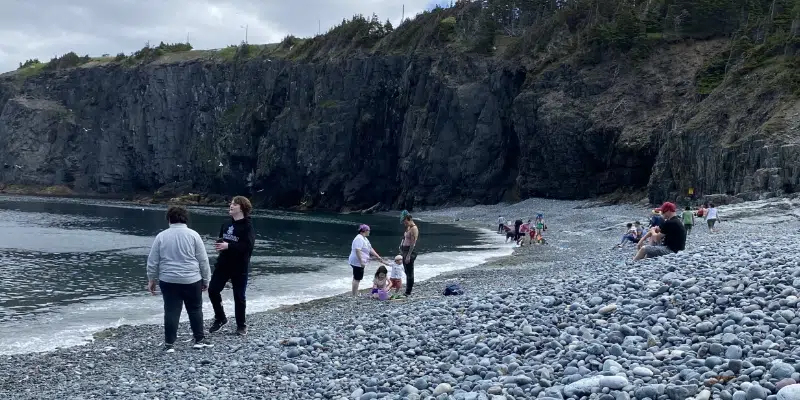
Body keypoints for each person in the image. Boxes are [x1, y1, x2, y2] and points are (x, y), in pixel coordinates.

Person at [146, 206, 213, 352]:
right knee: (195, 309)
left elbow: (153, 260)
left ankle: (169, 344)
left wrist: (151, 279)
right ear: (185, 219)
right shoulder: (193, 235)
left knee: (171, 311)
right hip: (192, 279)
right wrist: (206, 279)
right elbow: (203, 260)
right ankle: (199, 339)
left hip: (168, 279)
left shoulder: (161, 236)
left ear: (169, 219)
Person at [208, 196, 255, 337]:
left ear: (242, 208)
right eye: (231, 203)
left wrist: (229, 246)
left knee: (239, 296)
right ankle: (221, 318)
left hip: (240, 266)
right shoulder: (226, 223)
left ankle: (241, 325)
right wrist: (220, 244)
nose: (231, 205)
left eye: (235, 204)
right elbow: (223, 239)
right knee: (213, 290)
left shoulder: (247, 226)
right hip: (223, 263)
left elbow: (248, 246)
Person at [349, 224, 385, 297]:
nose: (369, 232)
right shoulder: (359, 238)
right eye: (368, 230)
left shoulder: (364, 238)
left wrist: (378, 256)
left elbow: (370, 248)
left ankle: (354, 293)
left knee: (356, 277)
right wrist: (361, 261)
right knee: (357, 278)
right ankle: (354, 295)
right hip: (357, 262)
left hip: (360, 261)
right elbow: (357, 250)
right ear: (364, 231)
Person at [400, 214, 419, 297]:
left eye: (405, 222)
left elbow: (412, 243)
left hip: (410, 251)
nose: (405, 223)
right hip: (404, 250)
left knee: (410, 272)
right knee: (406, 271)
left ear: (410, 219)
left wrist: (408, 255)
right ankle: (408, 289)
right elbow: (404, 238)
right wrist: (401, 246)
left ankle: (408, 291)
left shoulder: (414, 229)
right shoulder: (408, 228)